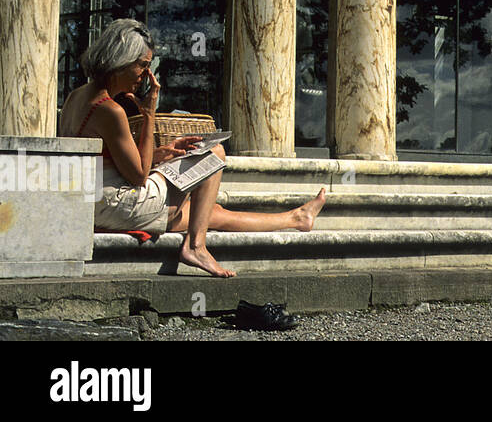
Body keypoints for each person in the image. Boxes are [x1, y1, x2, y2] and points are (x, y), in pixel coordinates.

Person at [62, 19, 326, 278]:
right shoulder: (110, 110)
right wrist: (149, 112)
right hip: (118, 205)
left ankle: (296, 218)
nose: (146, 76)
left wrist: (160, 154)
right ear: (120, 61)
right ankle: (195, 247)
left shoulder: (76, 97)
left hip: (95, 203)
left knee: (211, 213)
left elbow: (108, 162)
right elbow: (139, 176)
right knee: (214, 153)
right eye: (142, 66)